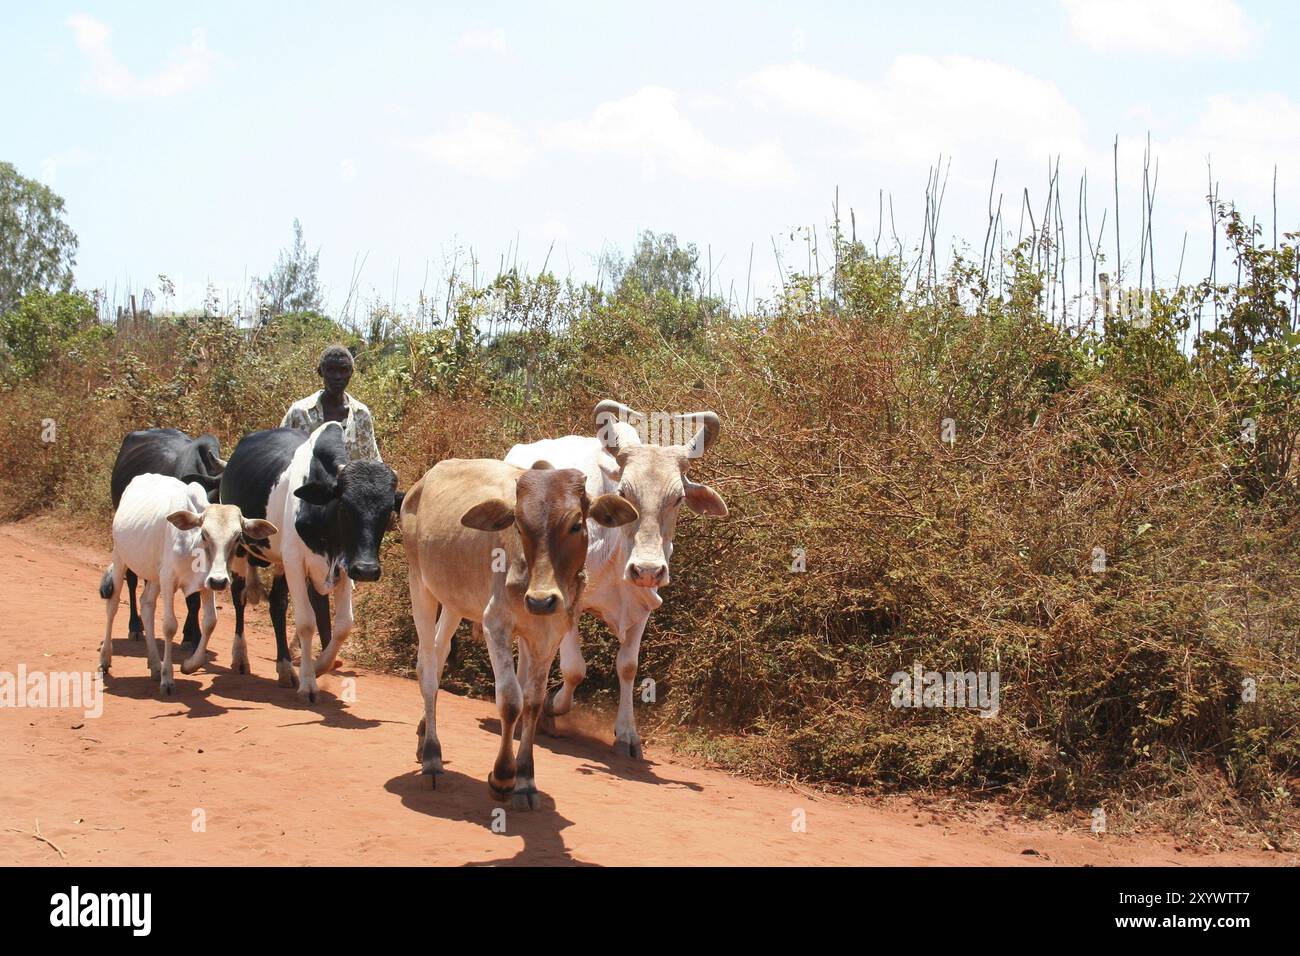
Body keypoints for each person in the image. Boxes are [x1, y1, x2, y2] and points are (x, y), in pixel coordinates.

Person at [281, 344, 382, 462]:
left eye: (343, 370)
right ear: (320, 372)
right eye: (331, 370)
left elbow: (372, 460)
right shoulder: (299, 412)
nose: (337, 377)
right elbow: (280, 459)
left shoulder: (361, 414)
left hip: (350, 480)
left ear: (351, 373)